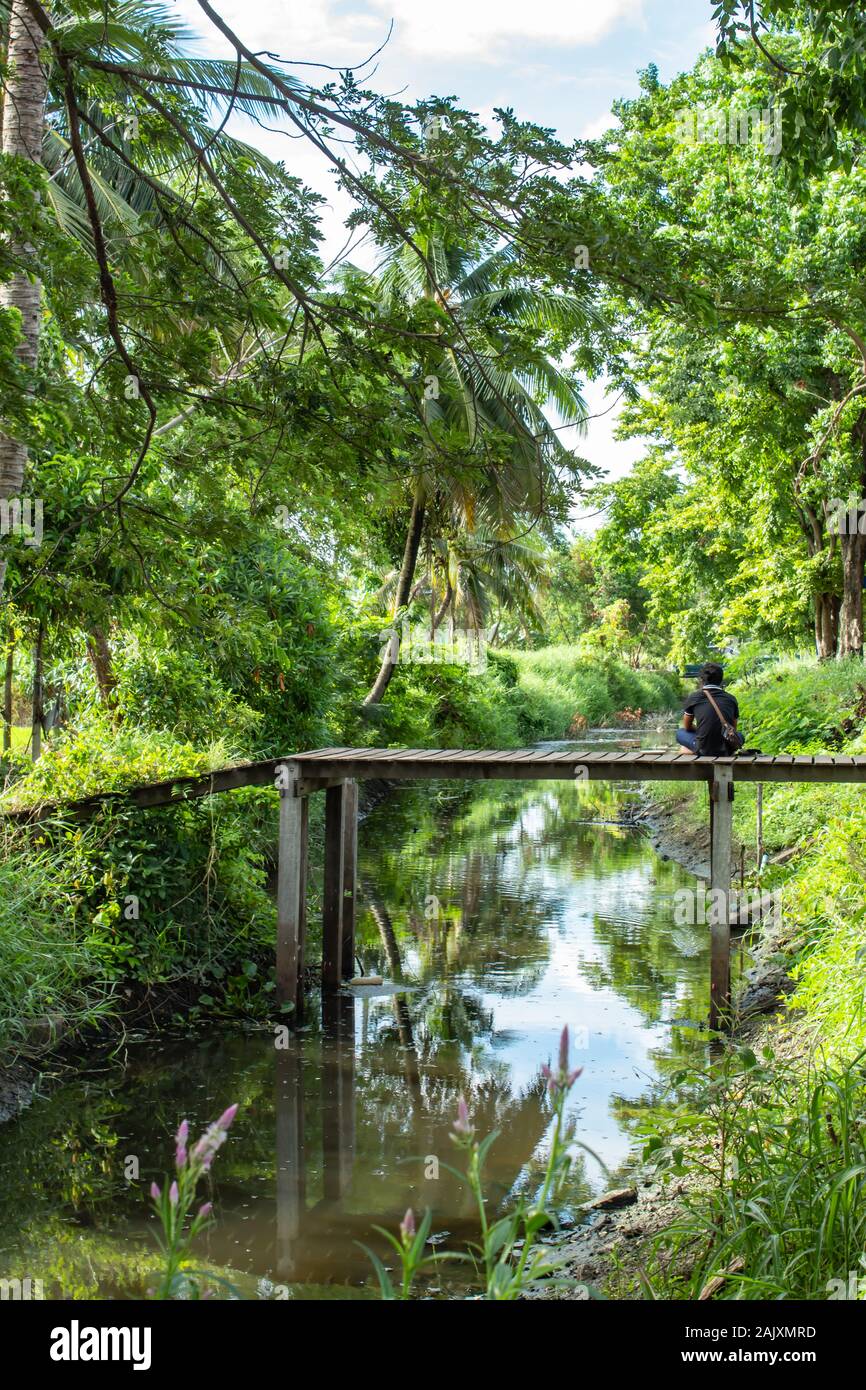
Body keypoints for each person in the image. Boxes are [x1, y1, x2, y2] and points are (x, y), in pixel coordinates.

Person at [676, 662, 743, 756]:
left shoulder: (694, 697)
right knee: (740, 735)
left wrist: (700, 730)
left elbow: (687, 726)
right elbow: (733, 728)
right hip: (725, 747)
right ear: (721, 679)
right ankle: (726, 751)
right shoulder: (730, 698)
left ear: (701, 679)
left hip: (703, 747)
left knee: (680, 732)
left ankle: (692, 750)